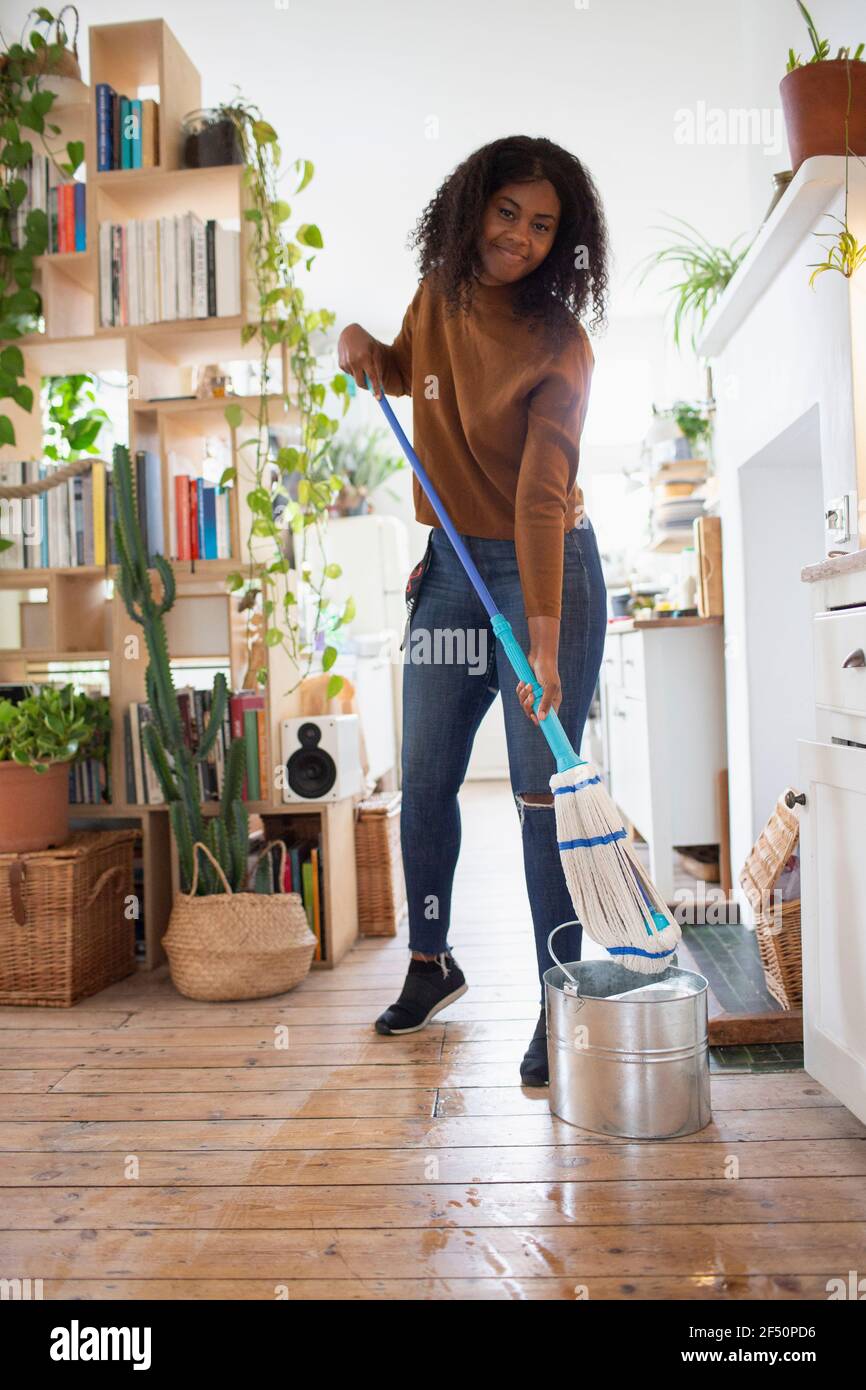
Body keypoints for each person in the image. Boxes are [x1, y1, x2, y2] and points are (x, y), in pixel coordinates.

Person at [337, 134, 609, 1086]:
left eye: (543, 226)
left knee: (541, 800)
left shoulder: (560, 346)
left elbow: (540, 497)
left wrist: (542, 641)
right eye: (508, 214)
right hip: (450, 570)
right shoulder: (438, 296)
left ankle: (558, 998)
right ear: (472, 207)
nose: (522, 238)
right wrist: (366, 349)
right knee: (426, 784)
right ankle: (432, 960)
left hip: (548, 575)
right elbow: (410, 369)